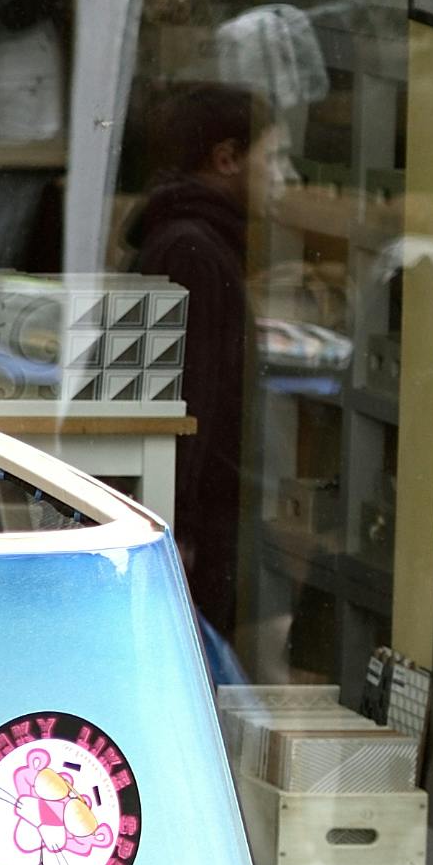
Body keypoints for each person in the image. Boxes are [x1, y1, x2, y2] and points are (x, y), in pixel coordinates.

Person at [126, 80, 267, 646]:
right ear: (228, 159)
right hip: (197, 527)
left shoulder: (187, 241)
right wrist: (175, 529)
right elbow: (188, 402)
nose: (287, 179)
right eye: (275, 158)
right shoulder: (195, 251)